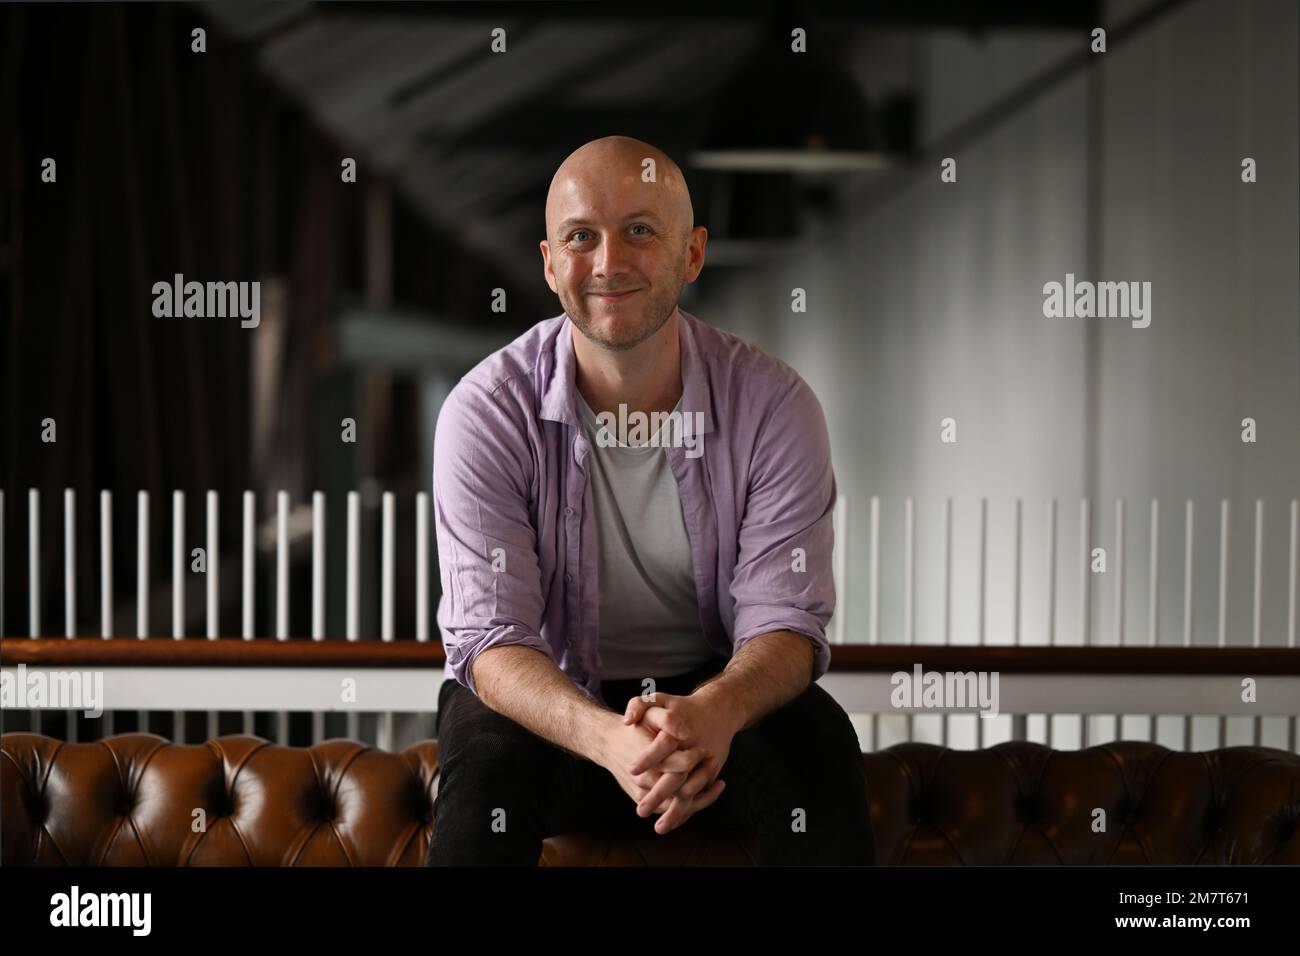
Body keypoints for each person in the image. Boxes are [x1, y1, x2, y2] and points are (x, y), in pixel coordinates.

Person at [425, 136, 874, 866]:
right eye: (581, 237)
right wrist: (610, 739)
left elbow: (789, 623)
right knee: (485, 773)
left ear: (692, 254)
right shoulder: (486, 411)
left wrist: (713, 713)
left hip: (717, 695)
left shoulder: (773, 406)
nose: (608, 263)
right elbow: (489, 638)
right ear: (548, 263)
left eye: (639, 230)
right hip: (552, 702)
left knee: (818, 744)